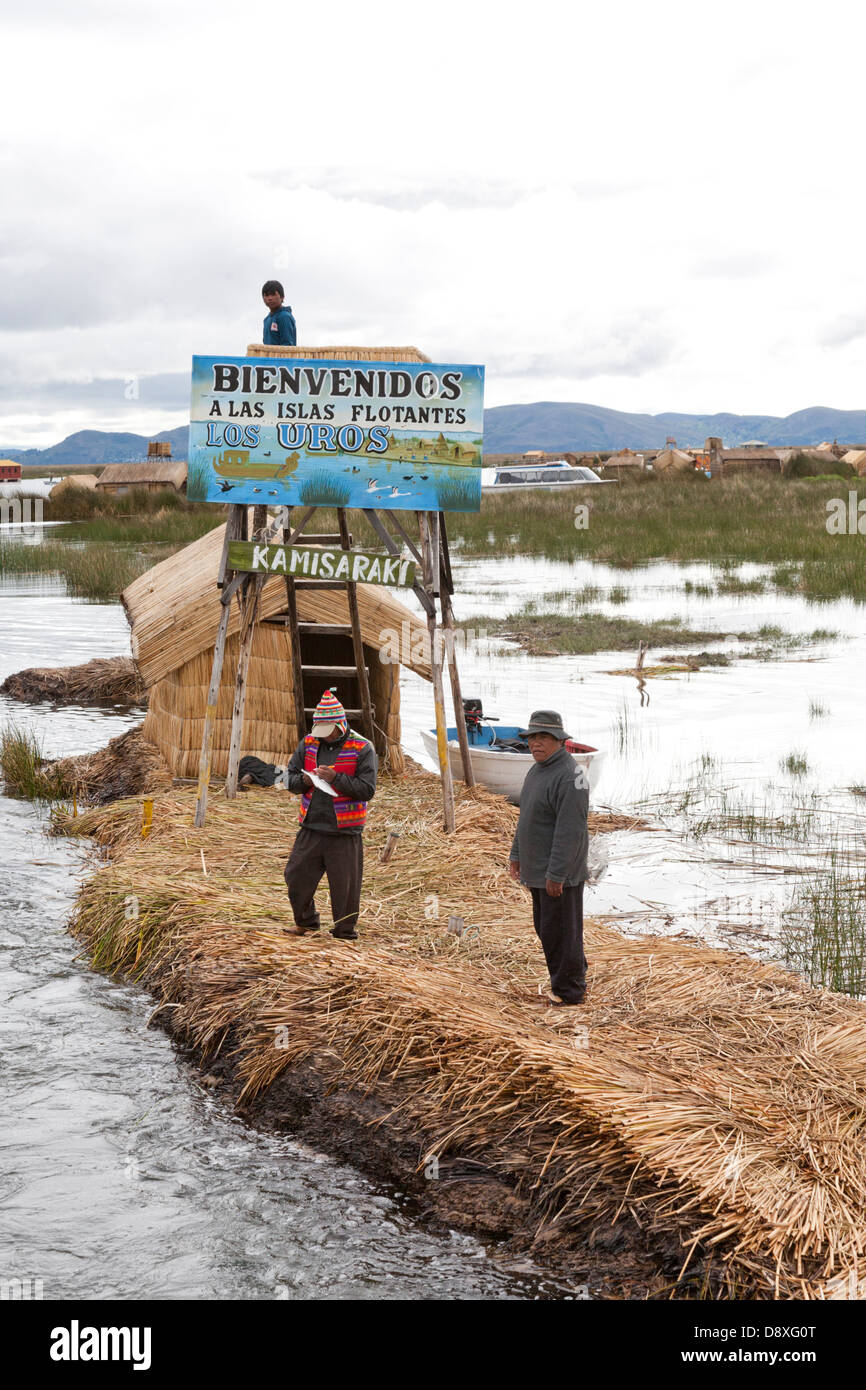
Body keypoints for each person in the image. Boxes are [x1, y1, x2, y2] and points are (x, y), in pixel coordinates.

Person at [508, 710, 589, 1005]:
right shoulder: (537, 770)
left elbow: (571, 832)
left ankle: (570, 992)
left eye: (544, 737)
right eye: (532, 738)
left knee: (561, 933)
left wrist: (557, 874)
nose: (535, 744)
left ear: (560, 740)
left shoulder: (570, 776)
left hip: (559, 873)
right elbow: (526, 817)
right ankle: (574, 973)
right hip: (537, 868)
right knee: (547, 928)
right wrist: (516, 854)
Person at [283, 689, 377, 940]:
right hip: (312, 826)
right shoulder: (309, 743)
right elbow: (289, 779)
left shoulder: (362, 748)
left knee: (345, 889)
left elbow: (367, 790)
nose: (323, 738)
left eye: (328, 733)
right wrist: (304, 780)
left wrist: (337, 778)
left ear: (340, 725)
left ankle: (344, 934)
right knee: (296, 876)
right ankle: (307, 922)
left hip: (344, 832)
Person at [262, 280, 297, 346]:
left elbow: (287, 347)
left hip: (281, 356)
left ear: (282, 297)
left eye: (273, 294)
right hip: (268, 356)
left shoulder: (284, 317)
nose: (270, 298)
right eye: (266, 295)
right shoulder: (266, 320)